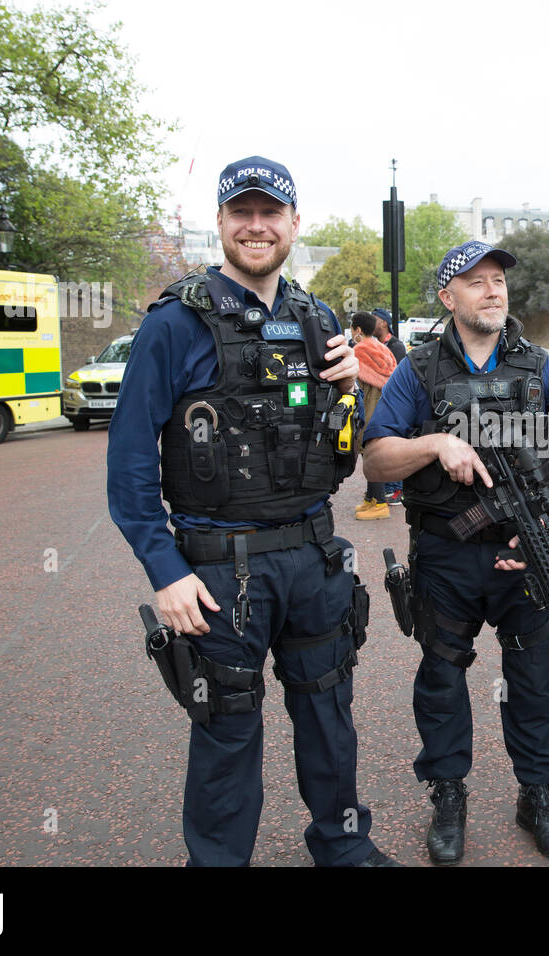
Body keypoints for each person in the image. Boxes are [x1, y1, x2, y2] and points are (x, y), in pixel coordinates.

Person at [106, 155, 394, 867]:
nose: (257, 226)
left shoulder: (317, 317)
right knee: (227, 727)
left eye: (272, 213)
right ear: (222, 223)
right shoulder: (175, 324)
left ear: (295, 224)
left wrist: (353, 392)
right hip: (218, 569)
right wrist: (163, 568)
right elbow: (130, 463)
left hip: (315, 558)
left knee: (329, 715)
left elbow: (343, 451)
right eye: (243, 213)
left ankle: (343, 846)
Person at [362, 240, 549, 864]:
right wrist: (436, 443)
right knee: (441, 678)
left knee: (533, 680)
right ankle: (448, 793)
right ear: (448, 298)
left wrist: (547, 516)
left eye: (499, 280)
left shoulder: (542, 369)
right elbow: (378, 456)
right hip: (447, 555)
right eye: (476, 282)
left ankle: (539, 794)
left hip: (526, 551)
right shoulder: (417, 371)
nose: (493, 291)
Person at [351, 311, 397, 520]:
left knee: (369, 451)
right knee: (373, 449)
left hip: (368, 405)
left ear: (358, 330)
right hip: (384, 404)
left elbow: (356, 384)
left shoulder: (359, 351)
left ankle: (379, 503)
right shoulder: (382, 348)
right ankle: (372, 498)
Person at [370, 308, 406, 505]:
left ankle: (396, 489)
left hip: (395, 404)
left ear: (384, 323)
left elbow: (397, 377)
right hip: (382, 403)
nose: (372, 323)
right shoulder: (378, 345)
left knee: (394, 444)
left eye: (374, 320)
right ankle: (388, 485)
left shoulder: (396, 346)